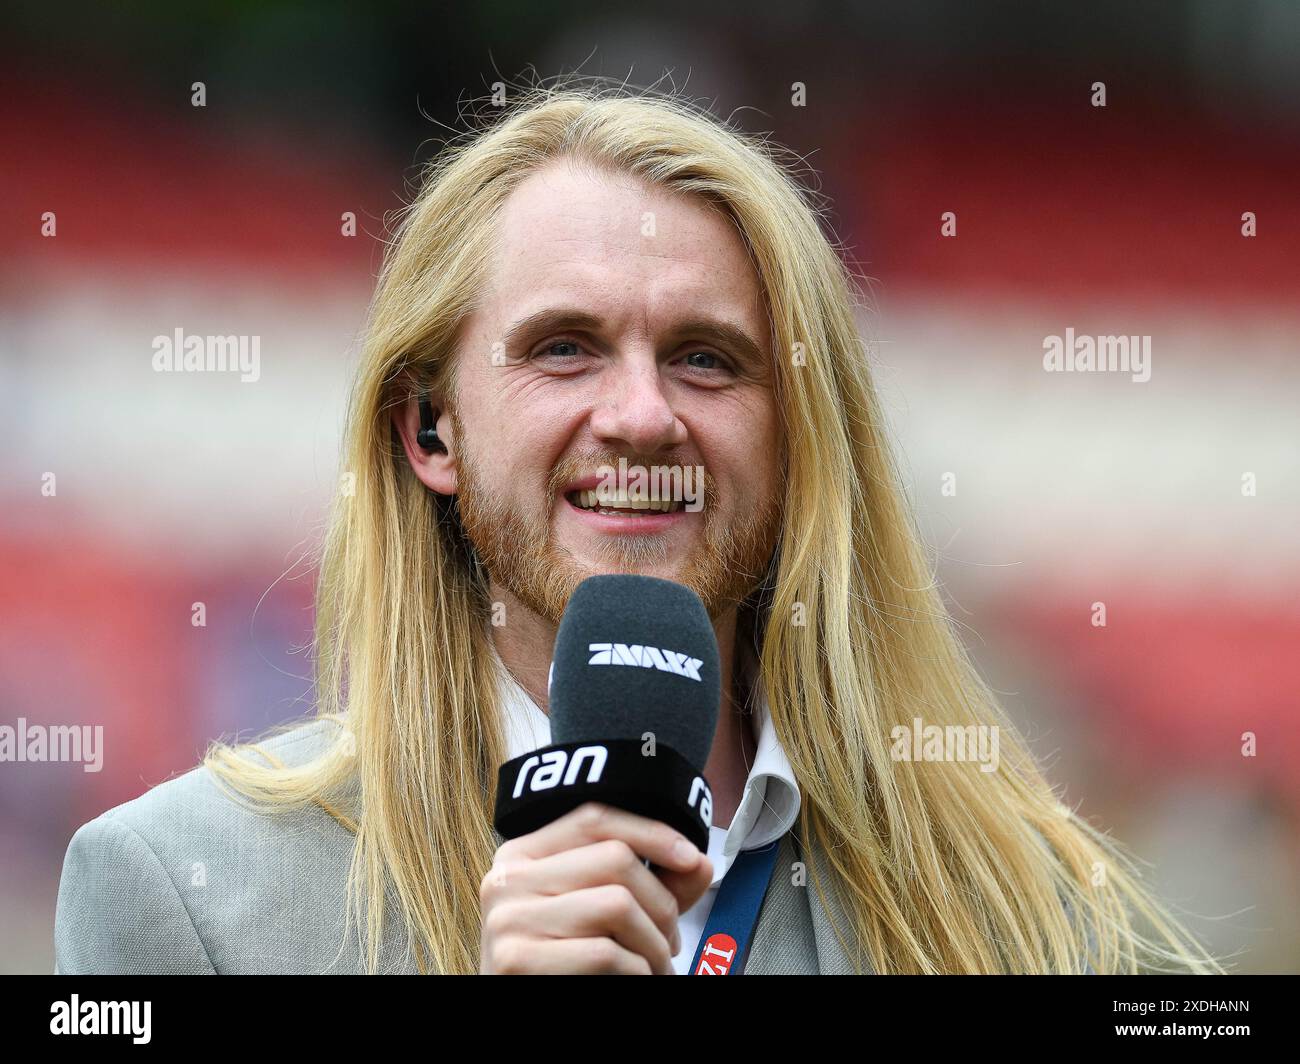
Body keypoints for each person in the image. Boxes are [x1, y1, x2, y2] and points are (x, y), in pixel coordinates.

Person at [54, 81, 1221, 975]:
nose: (642, 415)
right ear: (430, 431)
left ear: (796, 434)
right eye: (564, 346)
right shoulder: (183, 891)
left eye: (705, 359)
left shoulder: (1023, 902)